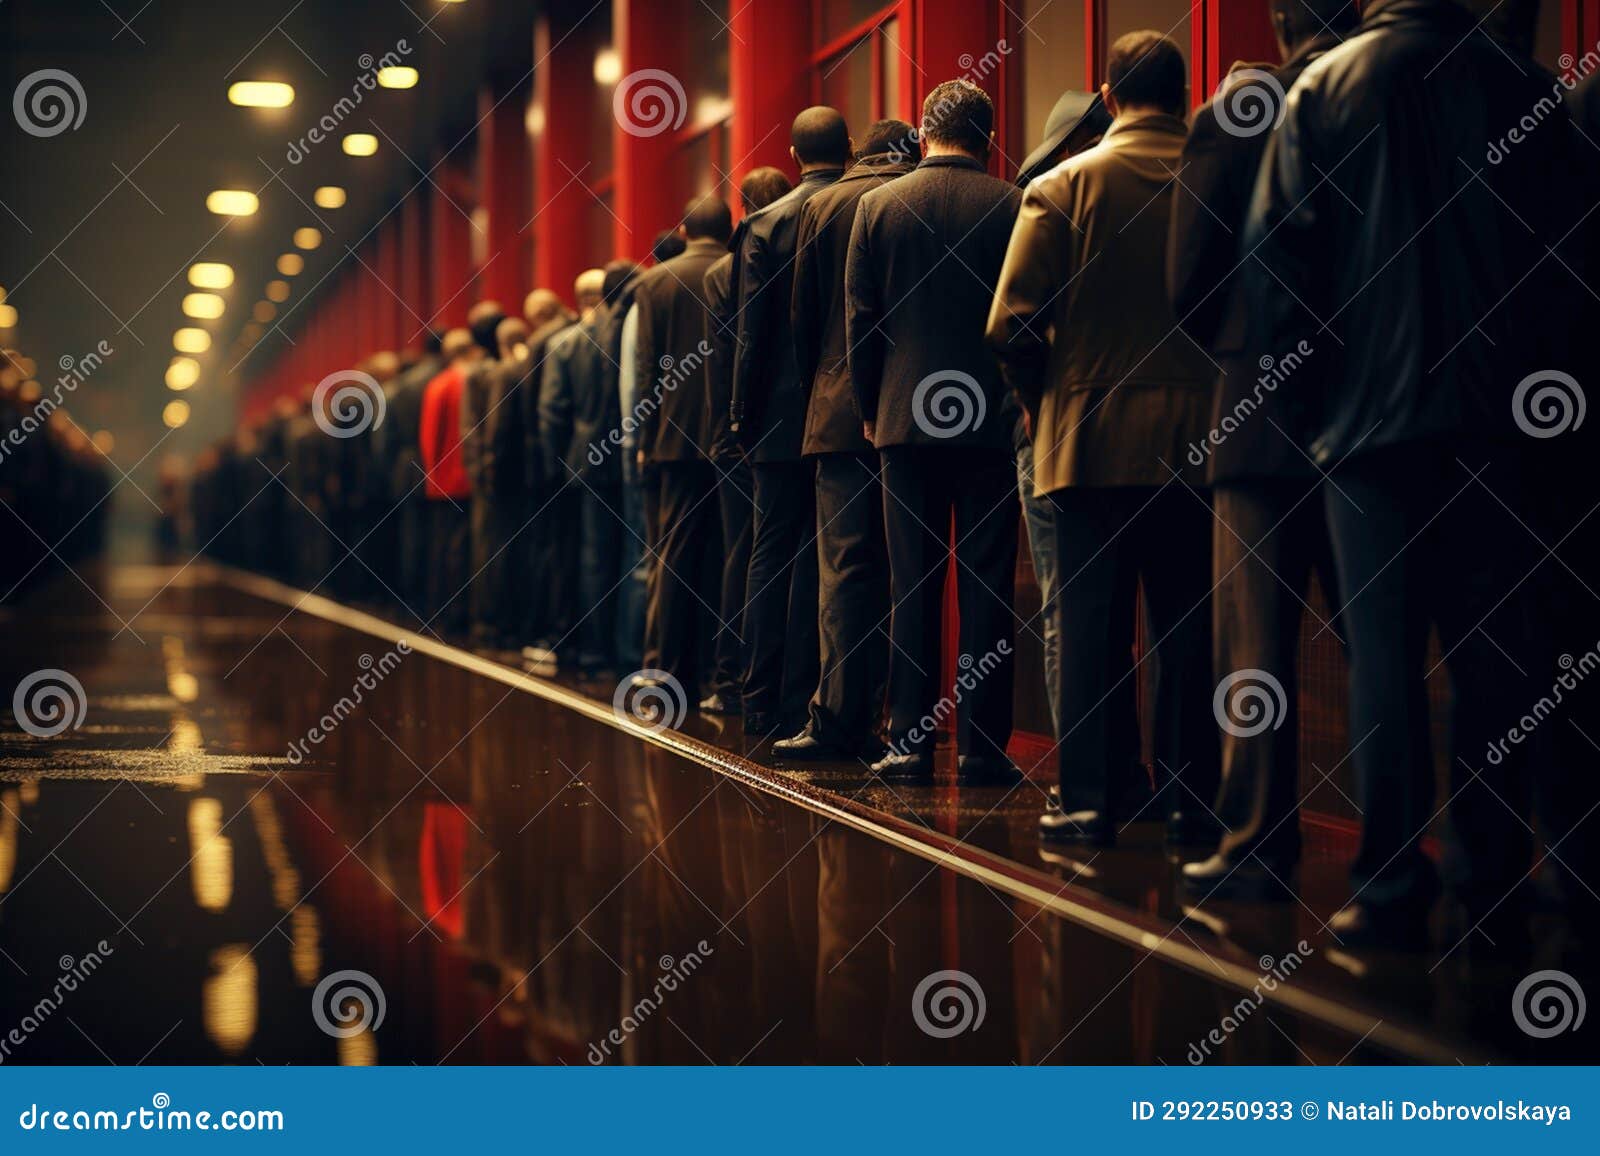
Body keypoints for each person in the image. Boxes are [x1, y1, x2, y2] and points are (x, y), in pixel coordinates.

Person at [1243, 0, 1586, 947]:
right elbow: (1573, 265)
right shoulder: (1523, 88)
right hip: (1501, 432)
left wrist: (1312, 415)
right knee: (1497, 663)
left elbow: (1278, 267)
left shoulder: (1325, 86)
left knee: (1384, 664)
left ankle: (1390, 883)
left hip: (1368, 436)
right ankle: (1492, 876)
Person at [988, 33, 1218, 842]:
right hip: (1198, 441)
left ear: (1110, 96)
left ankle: (1088, 805)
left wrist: (1038, 401)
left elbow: (1010, 322)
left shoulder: (1060, 186)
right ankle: (1193, 805)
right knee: (1187, 628)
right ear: (1185, 94)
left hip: (1083, 442)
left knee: (1089, 626)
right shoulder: (1217, 179)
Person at [1167, 0, 1357, 898]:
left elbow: (1190, 277)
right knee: (1383, 644)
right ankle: (1406, 850)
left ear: (1277, 26)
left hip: (1260, 415)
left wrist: (1244, 350)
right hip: (1375, 407)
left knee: (1256, 653)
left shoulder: (1235, 115)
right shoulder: (1383, 96)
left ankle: (1256, 844)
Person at [848, 80, 1022, 781]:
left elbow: (862, 321)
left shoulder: (877, 206)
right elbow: (1030, 316)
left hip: (901, 417)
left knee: (911, 584)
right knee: (988, 584)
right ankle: (982, 750)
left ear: (923, 134)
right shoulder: (1014, 204)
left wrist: (870, 406)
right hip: (989, 418)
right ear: (988, 138)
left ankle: (908, 743)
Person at [772, 119, 916, 761]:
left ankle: (839, 718)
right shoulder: (916, 195)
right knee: (909, 569)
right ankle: (903, 719)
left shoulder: (824, 205)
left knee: (845, 571)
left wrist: (821, 391)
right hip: (919, 408)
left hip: (838, 410)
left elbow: (804, 316)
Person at [730, 108, 851, 735]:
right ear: (849, 147)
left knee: (771, 552)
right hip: (845, 412)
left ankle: (761, 700)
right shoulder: (864, 206)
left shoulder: (763, 225)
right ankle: (817, 698)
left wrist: (739, 417)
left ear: (793, 152)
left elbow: (749, 338)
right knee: (831, 557)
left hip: (777, 415)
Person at [1011, 92, 1111, 747]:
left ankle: (1085, 780)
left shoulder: (1052, 197)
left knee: (1068, 608)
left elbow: (1011, 326)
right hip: (1170, 438)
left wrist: (1032, 404)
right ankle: (1174, 793)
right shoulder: (1182, 183)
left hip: (1062, 433)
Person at [699, 167, 793, 715]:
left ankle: (735, 680)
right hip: (786, 428)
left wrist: (730, 429)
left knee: (746, 553)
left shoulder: (723, 272)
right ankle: (776, 684)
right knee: (787, 553)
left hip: (737, 434)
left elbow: (725, 361)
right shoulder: (800, 249)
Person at [633, 195, 735, 702]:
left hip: (674, 437)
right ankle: (723, 672)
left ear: (684, 229)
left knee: (673, 558)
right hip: (732, 434)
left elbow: (649, 369)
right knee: (729, 554)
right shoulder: (737, 268)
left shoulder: (654, 282)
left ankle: (668, 670)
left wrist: (645, 439)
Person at [533, 269, 606, 669]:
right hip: (620, 460)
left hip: (575, 461)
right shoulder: (618, 335)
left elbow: (551, 412)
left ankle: (583, 644)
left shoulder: (563, 344)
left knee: (579, 553)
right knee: (609, 553)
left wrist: (553, 464)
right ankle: (607, 645)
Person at [462, 314, 529, 657]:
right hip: (511, 473)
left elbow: (475, 430)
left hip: (493, 473)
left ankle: (490, 623)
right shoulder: (510, 369)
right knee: (501, 550)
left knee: (490, 547)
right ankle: (497, 623)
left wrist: (482, 470)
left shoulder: (481, 373)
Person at [419, 326, 484, 636]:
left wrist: (432, 476)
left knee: (446, 548)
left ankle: (446, 612)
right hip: (470, 477)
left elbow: (430, 437)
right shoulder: (475, 378)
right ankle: (463, 612)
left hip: (445, 479)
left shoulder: (439, 385)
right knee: (467, 548)